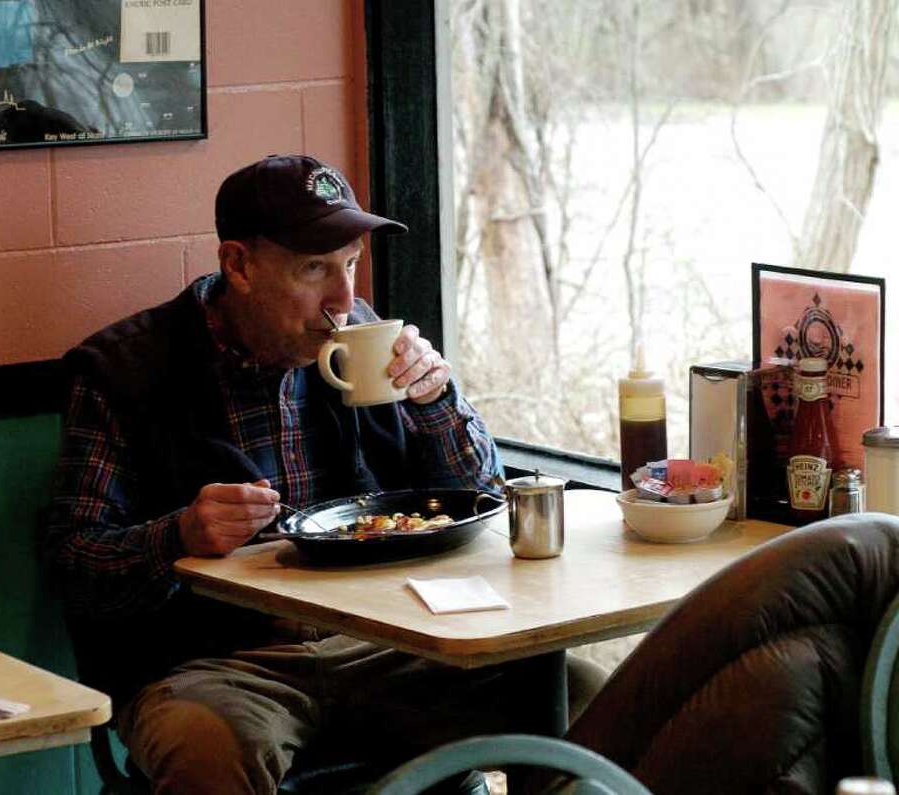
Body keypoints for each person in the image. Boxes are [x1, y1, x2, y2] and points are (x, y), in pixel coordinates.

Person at [44, 154, 603, 795]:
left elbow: (484, 496)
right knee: (208, 745)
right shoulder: (123, 371)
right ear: (238, 265)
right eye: (314, 269)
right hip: (222, 666)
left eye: (351, 265)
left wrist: (435, 401)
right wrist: (179, 535)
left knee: (580, 698)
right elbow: (75, 563)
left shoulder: (366, 342)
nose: (343, 299)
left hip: (391, 641)